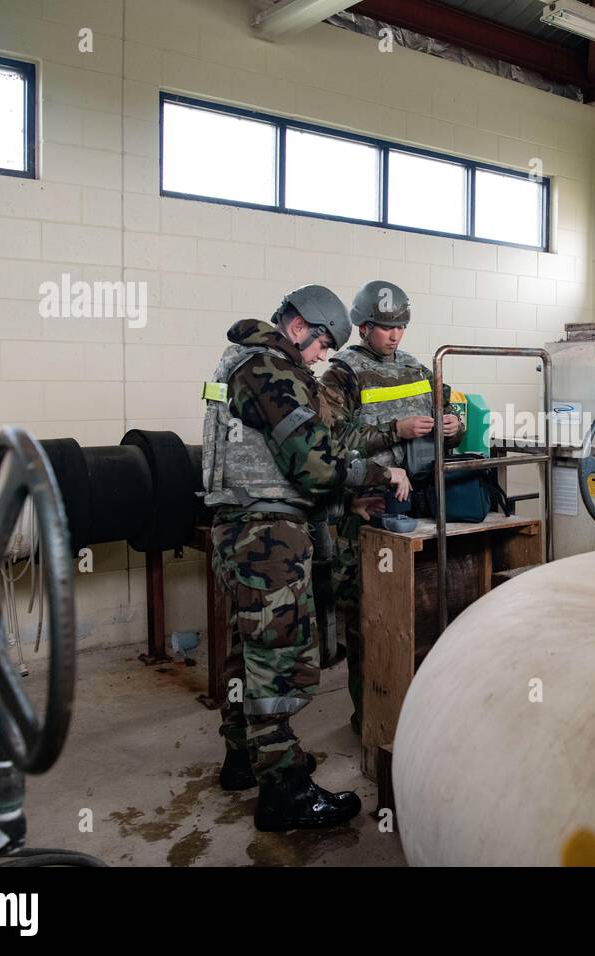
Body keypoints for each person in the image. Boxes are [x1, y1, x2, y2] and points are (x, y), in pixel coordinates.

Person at [201, 284, 410, 831]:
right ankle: (285, 791)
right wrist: (378, 473)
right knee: (281, 659)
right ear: (301, 329)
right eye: (320, 347)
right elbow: (314, 464)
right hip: (267, 536)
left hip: (241, 526)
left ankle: (243, 757)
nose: (321, 359)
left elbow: (285, 457)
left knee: (247, 651)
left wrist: (343, 498)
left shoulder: (241, 363)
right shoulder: (270, 370)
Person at [319, 281, 461, 734]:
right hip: (367, 507)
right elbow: (331, 443)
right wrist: (394, 430)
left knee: (419, 608)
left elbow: (454, 410)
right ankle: (372, 718)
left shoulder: (420, 369)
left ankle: (418, 711)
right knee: (370, 616)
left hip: (418, 501)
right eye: (385, 328)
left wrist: (453, 425)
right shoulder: (341, 373)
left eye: (400, 326)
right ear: (363, 327)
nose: (394, 336)